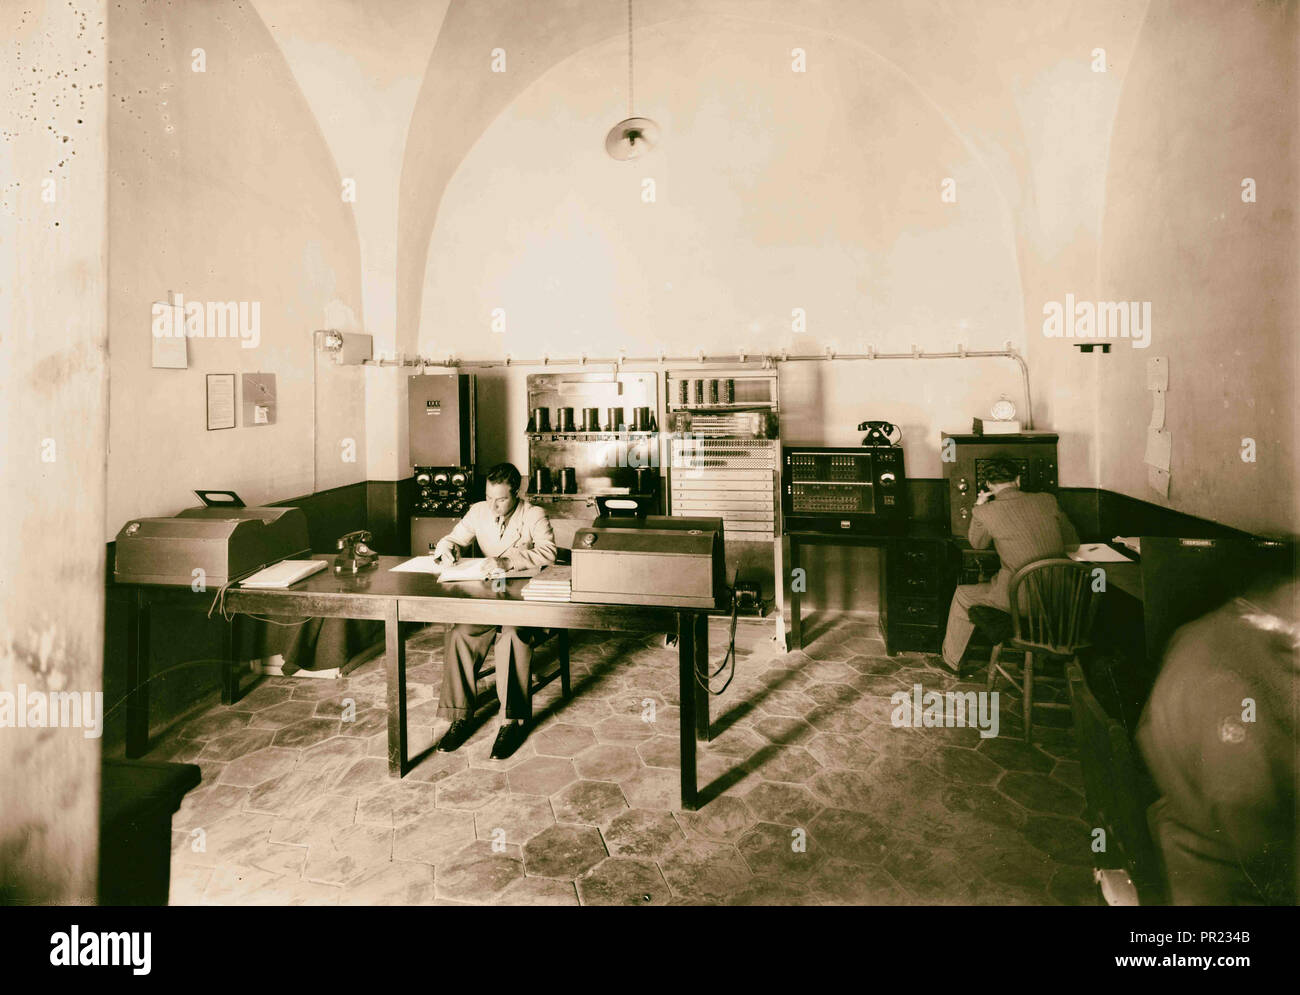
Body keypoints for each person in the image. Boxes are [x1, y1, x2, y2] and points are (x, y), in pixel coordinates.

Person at [1136, 575, 1297, 905]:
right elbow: (1250, 831)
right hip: (1218, 879)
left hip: (1184, 822)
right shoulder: (1228, 688)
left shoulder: (1211, 632)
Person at [431, 462, 557, 759]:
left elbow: (549, 552)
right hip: (491, 597)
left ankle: (512, 721)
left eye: (500, 499)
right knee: (461, 633)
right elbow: (453, 537)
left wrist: (508, 562)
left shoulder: (533, 514)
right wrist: (446, 548)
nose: (494, 505)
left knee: (512, 636)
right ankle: (460, 716)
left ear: (516, 493)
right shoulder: (478, 511)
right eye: (489, 497)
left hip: (526, 598)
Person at [940, 458, 1079, 673]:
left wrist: (979, 505)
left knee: (962, 594)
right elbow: (1073, 541)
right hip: (1062, 596)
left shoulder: (985, 511)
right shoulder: (1047, 500)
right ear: (1018, 479)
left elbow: (977, 544)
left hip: (1020, 601)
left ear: (988, 485)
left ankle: (951, 662)